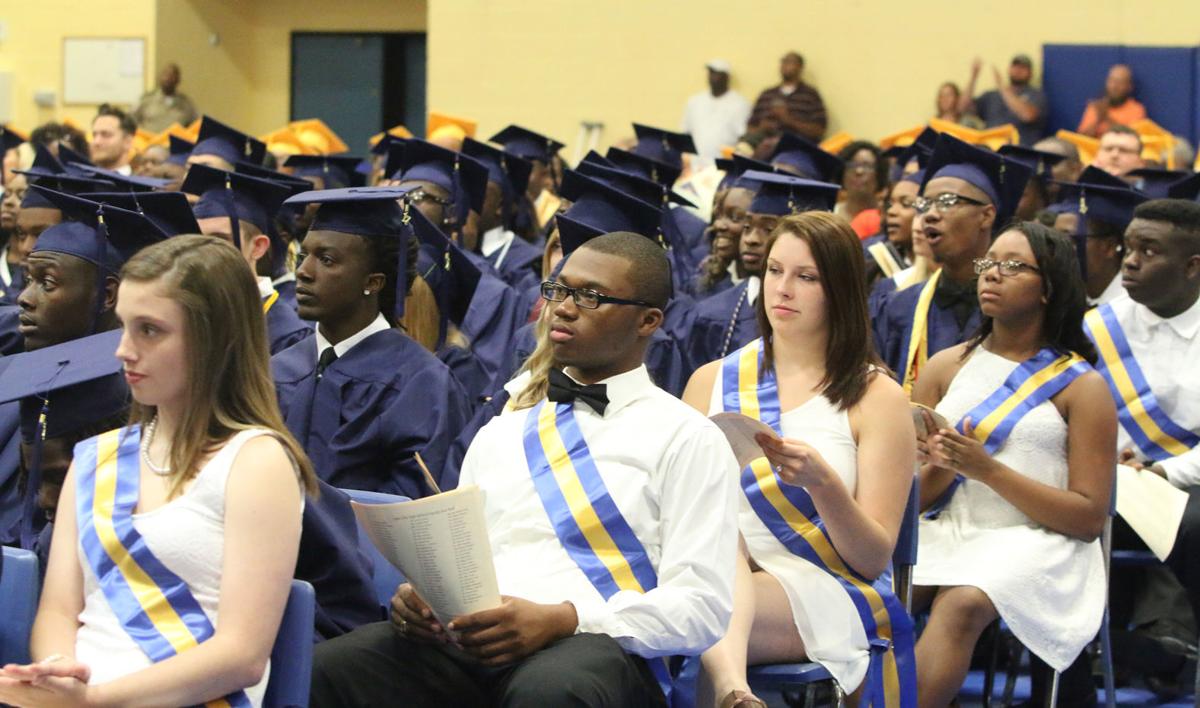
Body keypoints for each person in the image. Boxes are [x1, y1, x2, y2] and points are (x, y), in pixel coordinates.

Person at [310, 229, 739, 708]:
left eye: (590, 296)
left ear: (648, 320)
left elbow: (702, 607)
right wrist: (421, 597)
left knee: (549, 692)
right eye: (558, 290)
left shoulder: (687, 438)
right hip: (477, 642)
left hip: (601, 647)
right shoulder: (504, 429)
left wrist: (565, 618)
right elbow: (463, 563)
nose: (564, 308)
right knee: (328, 669)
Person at [0, 235, 315, 707]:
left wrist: (94, 700)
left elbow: (242, 656)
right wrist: (59, 674)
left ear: (214, 339)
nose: (124, 350)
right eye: (125, 326)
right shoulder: (97, 456)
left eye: (149, 330)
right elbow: (59, 611)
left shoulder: (257, 462)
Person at [686, 211, 918, 708]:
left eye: (806, 277)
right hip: (715, 569)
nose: (783, 289)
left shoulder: (877, 396)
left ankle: (729, 690)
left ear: (839, 290)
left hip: (827, 583)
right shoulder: (710, 380)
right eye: (774, 270)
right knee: (713, 554)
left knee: (698, 613)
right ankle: (734, 692)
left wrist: (823, 484)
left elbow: (872, 558)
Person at [911, 222, 1114, 707]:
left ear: (1048, 288)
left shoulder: (1082, 386)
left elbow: (1088, 518)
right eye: (989, 262)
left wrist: (988, 470)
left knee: (962, 602)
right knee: (877, 596)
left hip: (1040, 541)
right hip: (948, 528)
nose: (992, 273)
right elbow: (908, 496)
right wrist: (942, 466)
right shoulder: (945, 367)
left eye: (1013, 265)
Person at [271, 186, 470, 497]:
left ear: (373, 282)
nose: (303, 272)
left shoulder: (422, 384)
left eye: (326, 259)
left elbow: (418, 505)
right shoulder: (277, 370)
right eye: (302, 255)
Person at [876, 134, 1033, 392]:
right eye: (924, 204)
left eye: (946, 201)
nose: (929, 215)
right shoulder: (896, 308)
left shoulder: (1018, 311)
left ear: (986, 215)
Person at [686, 172, 839, 377]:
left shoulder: (842, 322)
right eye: (747, 227)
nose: (751, 239)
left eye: (769, 230)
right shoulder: (710, 314)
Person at [181, 163, 311, 355]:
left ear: (258, 247)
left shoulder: (287, 335)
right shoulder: (186, 314)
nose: (203, 249)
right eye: (197, 238)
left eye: (219, 240)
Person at [1054, 166, 1147, 306]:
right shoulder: (1060, 298)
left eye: (1069, 239)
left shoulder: (1134, 306)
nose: (1055, 249)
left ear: (1109, 246)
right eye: (1052, 238)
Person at [958, 54, 1047, 146]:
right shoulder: (992, 95)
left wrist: (1002, 86)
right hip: (988, 147)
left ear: (1030, 73)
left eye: (1023, 68)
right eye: (1015, 67)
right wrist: (973, 77)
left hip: (1017, 148)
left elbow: (1028, 116)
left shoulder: (1036, 95)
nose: (1018, 70)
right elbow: (962, 108)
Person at [682, 59, 752, 166]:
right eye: (711, 73)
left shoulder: (740, 104)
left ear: (726, 77)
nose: (712, 77)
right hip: (695, 163)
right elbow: (686, 132)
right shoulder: (695, 101)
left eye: (717, 73)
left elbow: (743, 138)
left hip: (724, 164)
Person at [747, 52, 827, 141]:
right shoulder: (766, 95)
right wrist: (761, 128)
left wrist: (789, 120)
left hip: (795, 145)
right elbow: (750, 128)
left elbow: (819, 130)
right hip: (763, 142)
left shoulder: (810, 95)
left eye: (790, 62)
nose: (785, 65)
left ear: (800, 67)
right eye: (784, 61)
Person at [1077, 64, 1147, 138]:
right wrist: (1098, 119)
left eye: (1120, 82)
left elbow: (1132, 139)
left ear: (1129, 87)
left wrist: (1106, 118)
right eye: (1111, 81)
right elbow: (1081, 138)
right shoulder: (1096, 106)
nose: (1114, 86)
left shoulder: (1137, 110)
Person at [835, 141, 887, 238]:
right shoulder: (830, 213)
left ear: (880, 174)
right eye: (852, 165)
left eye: (867, 166)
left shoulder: (885, 218)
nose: (859, 171)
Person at [133, 63, 199, 133]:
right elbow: (131, 121)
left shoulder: (186, 104)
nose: (169, 79)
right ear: (160, 77)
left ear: (178, 80)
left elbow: (196, 126)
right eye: (166, 75)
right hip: (150, 139)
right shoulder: (146, 100)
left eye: (173, 76)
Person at [88, 104, 136, 174]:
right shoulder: (79, 179)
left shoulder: (143, 180)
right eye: (94, 135)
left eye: (106, 135)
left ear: (128, 142)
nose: (96, 142)